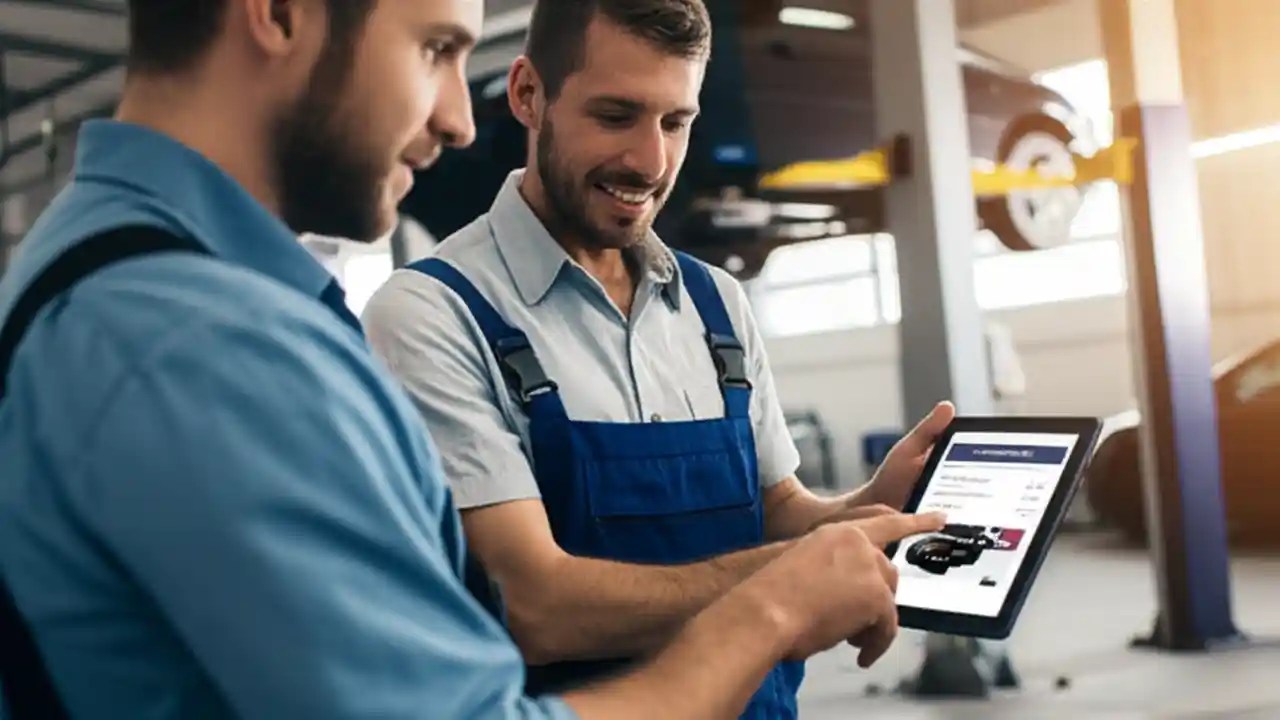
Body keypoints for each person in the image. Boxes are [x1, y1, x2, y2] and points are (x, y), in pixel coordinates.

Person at [0, 0, 945, 718]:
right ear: (279, 12)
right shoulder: (204, 340)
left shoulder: (110, 267)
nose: (458, 119)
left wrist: (859, 520)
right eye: (435, 48)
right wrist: (773, 607)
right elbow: (519, 625)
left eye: (676, 121)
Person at [361, 0, 955, 717]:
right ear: (528, 94)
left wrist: (869, 508)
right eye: (616, 116)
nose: (651, 162)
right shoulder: (432, 315)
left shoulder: (716, 304)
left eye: (675, 122)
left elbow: (776, 511)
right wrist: (789, 587)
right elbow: (537, 607)